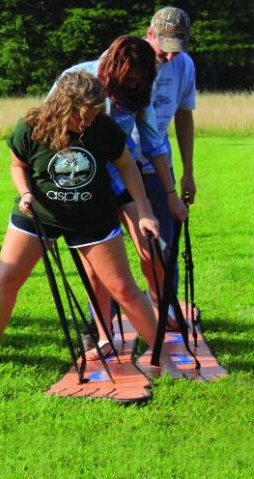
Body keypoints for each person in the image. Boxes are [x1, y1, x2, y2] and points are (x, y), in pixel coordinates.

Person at [0, 70, 182, 378]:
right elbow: (18, 165)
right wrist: (25, 193)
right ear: (60, 107)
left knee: (124, 289)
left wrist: (146, 211)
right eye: (80, 118)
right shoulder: (31, 126)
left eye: (92, 117)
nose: (85, 124)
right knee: (6, 279)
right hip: (38, 214)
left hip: (92, 217)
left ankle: (164, 361)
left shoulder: (104, 129)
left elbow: (127, 165)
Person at [59, 36, 188, 356]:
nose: (134, 85)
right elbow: (48, 133)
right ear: (114, 70)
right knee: (97, 266)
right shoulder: (77, 80)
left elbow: (154, 142)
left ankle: (160, 307)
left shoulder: (137, 91)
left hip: (121, 176)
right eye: (130, 79)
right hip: (84, 181)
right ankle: (102, 334)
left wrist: (170, 194)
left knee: (151, 246)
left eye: (140, 81)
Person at [135, 7, 196, 285]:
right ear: (149, 34)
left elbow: (184, 116)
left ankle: (166, 311)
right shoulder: (125, 61)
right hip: (116, 165)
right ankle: (101, 318)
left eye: (178, 48)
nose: (170, 56)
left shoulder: (185, 66)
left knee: (165, 243)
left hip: (158, 165)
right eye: (165, 48)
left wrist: (187, 172)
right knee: (108, 246)